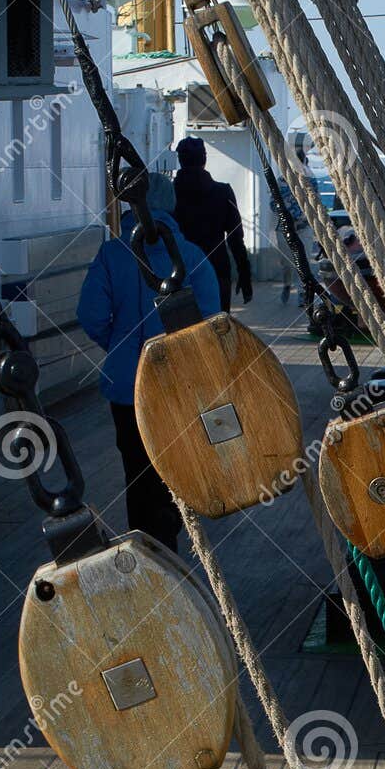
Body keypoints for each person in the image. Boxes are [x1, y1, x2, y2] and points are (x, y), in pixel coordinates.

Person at [77, 171, 221, 553]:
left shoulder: (111, 254)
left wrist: (120, 348)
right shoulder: (189, 255)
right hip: (179, 386)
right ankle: (172, 531)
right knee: (176, 464)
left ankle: (146, 548)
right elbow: (210, 317)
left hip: (127, 389)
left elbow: (90, 313)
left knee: (136, 472)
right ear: (170, 205)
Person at [173, 136, 253, 311]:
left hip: (178, 275)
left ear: (180, 160)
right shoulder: (223, 192)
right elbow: (235, 238)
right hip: (217, 271)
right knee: (218, 331)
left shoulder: (169, 194)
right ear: (205, 159)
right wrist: (244, 274)